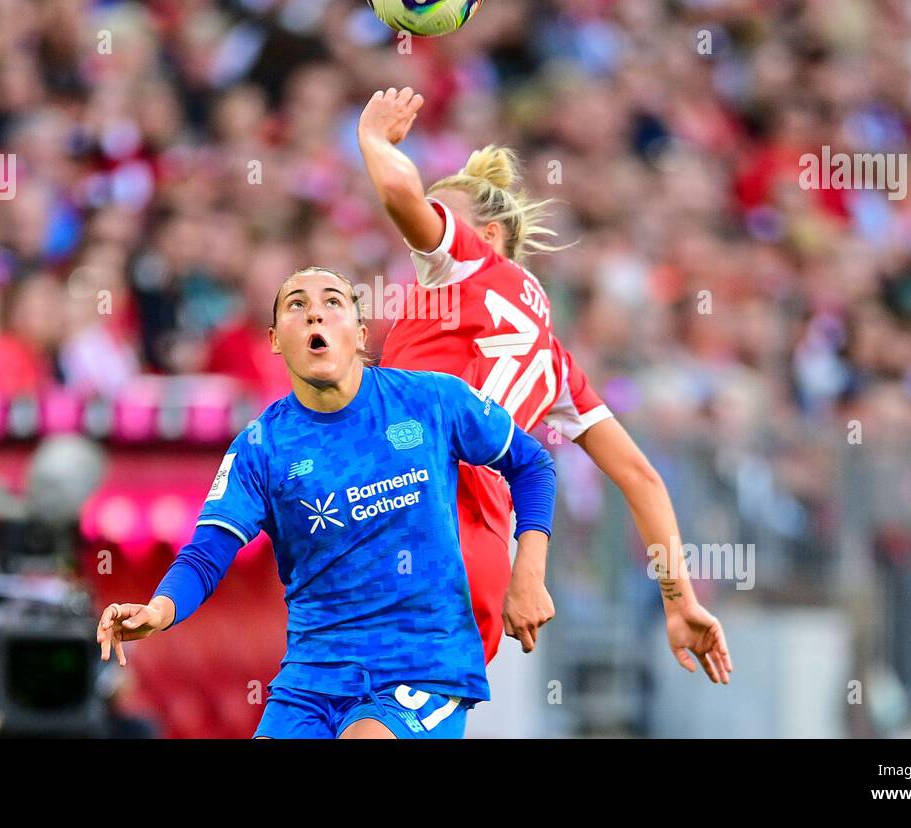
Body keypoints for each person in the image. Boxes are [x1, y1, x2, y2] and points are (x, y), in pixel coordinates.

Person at [357, 87, 732, 683]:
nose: (429, 230)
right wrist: (678, 598)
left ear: (489, 234)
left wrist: (373, 137)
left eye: (444, 213)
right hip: (481, 554)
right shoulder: (555, 363)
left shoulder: (467, 264)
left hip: (406, 509)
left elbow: (398, 189)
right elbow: (642, 478)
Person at [96, 267, 557, 738]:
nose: (315, 312)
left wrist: (529, 573)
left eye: (333, 301)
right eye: (297, 304)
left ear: (359, 334)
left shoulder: (430, 399)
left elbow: (532, 465)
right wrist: (158, 610)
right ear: (276, 340)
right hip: (311, 681)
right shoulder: (262, 446)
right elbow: (206, 552)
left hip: (421, 665)